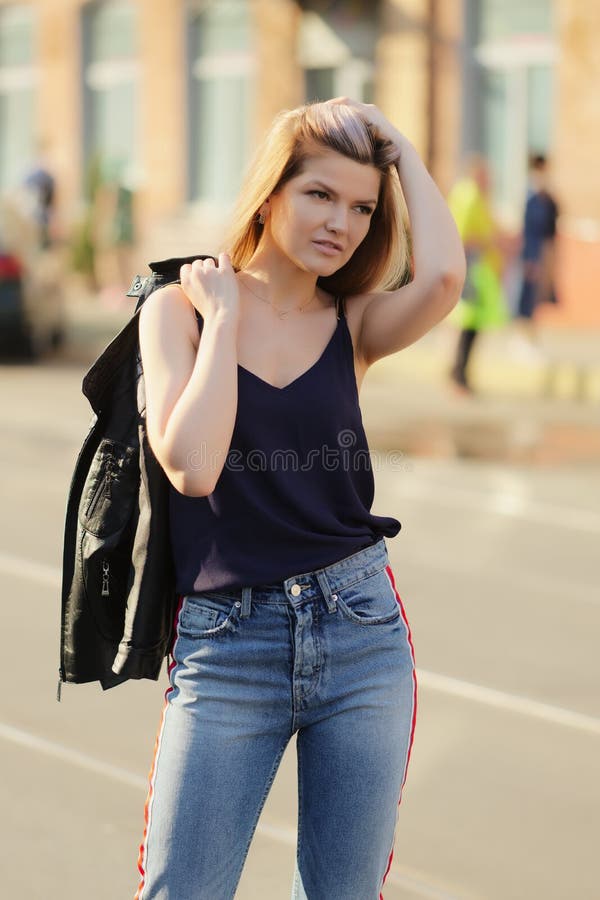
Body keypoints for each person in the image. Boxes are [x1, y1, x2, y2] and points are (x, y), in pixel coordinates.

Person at [134, 97, 465, 899]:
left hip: (360, 633)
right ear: (271, 193)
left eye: (362, 207)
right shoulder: (176, 308)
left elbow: (446, 275)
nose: (342, 224)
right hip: (228, 647)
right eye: (320, 195)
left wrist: (399, 148)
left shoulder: (354, 320)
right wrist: (221, 324)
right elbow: (193, 467)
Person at [447, 154, 509, 394]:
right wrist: (487, 244)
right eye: (487, 176)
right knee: (467, 324)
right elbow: (463, 234)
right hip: (472, 265)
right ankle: (458, 375)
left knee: (471, 323)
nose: (490, 181)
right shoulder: (469, 195)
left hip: (478, 266)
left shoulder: (474, 195)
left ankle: (460, 374)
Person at [511, 153, 559, 357]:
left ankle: (531, 337)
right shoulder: (531, 199)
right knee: (527, 296)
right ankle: (522, 339)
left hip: (543, 253)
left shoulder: (548, 200)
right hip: (531, 254)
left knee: (538, 296)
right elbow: (527, 231)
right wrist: (530, 258)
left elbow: (551, 231)